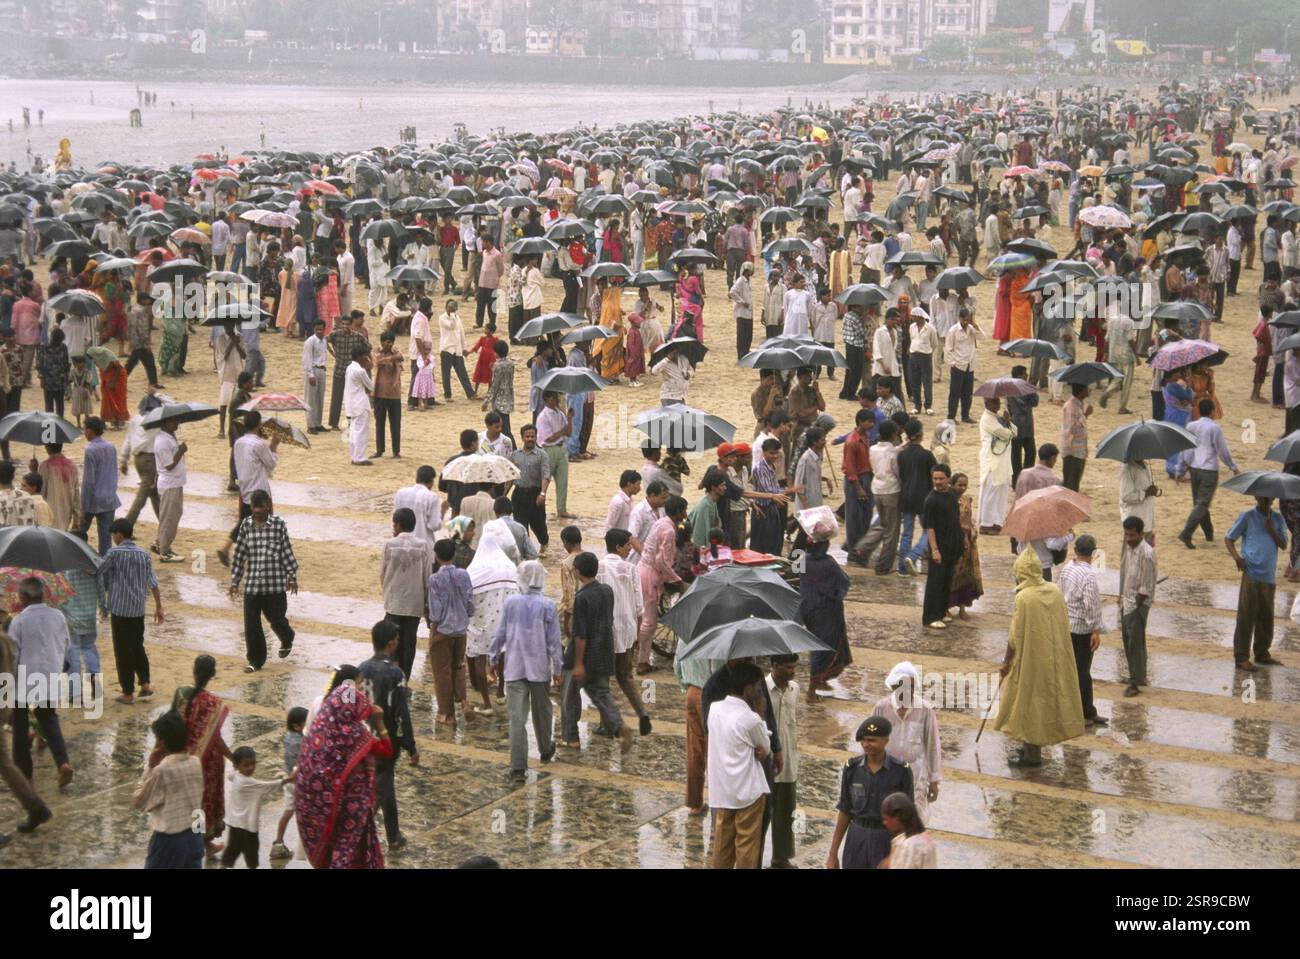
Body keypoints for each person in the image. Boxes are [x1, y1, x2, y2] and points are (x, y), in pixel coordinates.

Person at [992, 549, 1085, 767]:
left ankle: (1032, 755)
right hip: (1054, 658)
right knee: (1046, 702)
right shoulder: (1054, 591)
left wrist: (1006, 662)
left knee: (1028, 704)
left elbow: (1015, 636)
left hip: (1030, 661)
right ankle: (1033, 748)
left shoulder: (1023, 597)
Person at [293, 677, 391, 869]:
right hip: (353, 805)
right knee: (347, 847)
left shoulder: (319, 731)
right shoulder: (357, 734)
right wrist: (380, 723)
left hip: (323, 807)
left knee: (334, 846)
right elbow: (387, 751)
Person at [489, 560, 562, 779]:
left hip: (514, 667)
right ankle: (545, 748)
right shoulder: (548, 605)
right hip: (539, 668)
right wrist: (557, 668)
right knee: (543, 712)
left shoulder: (511, 603)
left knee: (517, 718)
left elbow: (499, 633)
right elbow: (554, 642)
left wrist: (492, 657)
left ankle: (518, 766)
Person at [358, 621, 418, 854]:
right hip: (385, 739)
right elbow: (401, 713)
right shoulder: (395, 673)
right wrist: (410, 746)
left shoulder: (361, 669)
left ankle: (393, 835)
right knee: (382, 788)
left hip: (363, 738)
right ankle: (365, 834)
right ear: (392, 643)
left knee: (382, 786)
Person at [162, 655, 231, 857]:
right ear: (213, 674)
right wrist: (232, 757)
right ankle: (202, 843)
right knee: (202, 803)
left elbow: (172, 724)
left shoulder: (181, 694)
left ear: (194, 670)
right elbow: (215, 738)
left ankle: (193, 842)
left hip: (182, 755)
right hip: (208, 762)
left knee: (188, 802)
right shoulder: (213, 702)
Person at [9, 578, 74, 789]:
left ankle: (26, 777)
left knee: (19, 726)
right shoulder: (58, 616)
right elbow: (66, 645)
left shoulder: (19, 621)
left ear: (24, 598)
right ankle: (63, 762)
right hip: (50, 674)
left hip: (24, 678)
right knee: (49, 720)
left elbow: (12, 654)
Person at [826, 715, 914, 870]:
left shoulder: (901, 772)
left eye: (872, 740)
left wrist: (894, 855)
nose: (866, 745)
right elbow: (845, 811)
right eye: (864, 740)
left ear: (886, 740)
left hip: (886, 839)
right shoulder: (851, 769)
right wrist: (833, 855)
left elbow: (907, 819)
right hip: (856, 837)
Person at [707, 661, 771, 870]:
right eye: (757, 687)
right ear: (748, 689)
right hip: (748, 792)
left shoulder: (714, 709)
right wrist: (761, 714)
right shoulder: (750, 718)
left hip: (723, 790)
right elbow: (765, 746)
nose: (759, 691)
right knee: (746, 847)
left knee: (722, 845)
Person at [569, 551, 633, 752]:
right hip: (605, 647)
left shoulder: (582, 598)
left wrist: (578, 663)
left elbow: (580, 634)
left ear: (578, 572)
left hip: (589, 652)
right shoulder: (606, 590)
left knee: (576, 693)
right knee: (601, 692)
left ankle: (571, 735)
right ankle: (617, 725)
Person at [229, 490, 298, 672]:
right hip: (252, 586)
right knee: (251, 624)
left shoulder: (278, 525)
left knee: (276, 619)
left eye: (261, 509)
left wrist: (291, 575)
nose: (258, 513)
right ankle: (255, 660)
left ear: (268, 506)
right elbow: (239, 555)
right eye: (255, 510)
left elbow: (286, 551)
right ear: (251, 508)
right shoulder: (246, 525)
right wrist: (235, 580)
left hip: (274, 586)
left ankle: (287, 636)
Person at [97, 518, 163, 705]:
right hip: (137, 610)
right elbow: (153, 583)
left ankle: (127, 692)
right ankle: (145, 682)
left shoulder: (114, 553)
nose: (113, 538)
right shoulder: (144, 554)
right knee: (137, 646)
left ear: (119, 533)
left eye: (113, 534)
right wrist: (159, 606)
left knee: (122, 651)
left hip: (119, 611)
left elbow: (99, 570)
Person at [598, 528, 652, 736]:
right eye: (628, 545)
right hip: (628, 627)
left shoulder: (600, 567)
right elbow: (639, 604)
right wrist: (637, 631)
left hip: (607, 631)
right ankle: (642, 712)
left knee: (604, 680)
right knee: (625, 675)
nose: (631, 548)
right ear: (619, 547)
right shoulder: (631, 569)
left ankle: (606, 724)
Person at [134, 711, 204, 868]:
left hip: (169, 839)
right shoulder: (196, 762)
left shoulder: (162, 770)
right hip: (195, 834)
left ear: (161, 743)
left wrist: (150, 766)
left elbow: (139, 802)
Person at [1225, 497, 1288, 671]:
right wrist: (1237, 558)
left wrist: (1271, 530)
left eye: (1268, 498)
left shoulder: (1277, 519)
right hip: (1251, 572)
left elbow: (1283, 544)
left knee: (1266, 616)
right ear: (1256, 498)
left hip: (1269, 574)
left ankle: (1262, 652)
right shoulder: (1247, 516)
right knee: (1246, 615)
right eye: (1262, 497)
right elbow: (1229, 538)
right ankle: (1241, 657)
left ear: (1273, 499)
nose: (1265, 501)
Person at [872, 662, 941, 819]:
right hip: (886, 777)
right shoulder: (881, 708)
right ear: (894, 687)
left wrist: (934, 781)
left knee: (913, 823)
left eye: (909, 687)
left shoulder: (925, 710)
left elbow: (933, 747)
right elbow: (869, 743)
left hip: (916, 779)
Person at [465, 522, 519, 714]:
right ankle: (501, 693)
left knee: (480, 659)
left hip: (480, 621)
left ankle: (486, 703)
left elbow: (468, 596)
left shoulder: (475, 568)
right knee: (502, 655)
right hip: (504, 622)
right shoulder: (508, 566)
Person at [1176, 399, 1241, 549]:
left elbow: (1185, 448)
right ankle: (1187, 532)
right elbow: (1222, 451)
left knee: (1199, 503)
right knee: (1202, 503)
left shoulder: (1191, 425)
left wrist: (1181, 469)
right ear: (1212, 411)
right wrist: (1233, 466)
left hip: (1194, 468)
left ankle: (1209, 533)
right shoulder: (1214, 428)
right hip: (1209, 469)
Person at [1057, 535, 1107, 727]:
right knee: (1082, 672)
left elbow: (1060, 594)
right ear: (1093, 553)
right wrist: (1096, 630)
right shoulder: (1088, 575)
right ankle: (1083, 712)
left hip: (1068, 625)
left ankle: (1085, 710)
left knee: (1074, 670)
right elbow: (1091, 605)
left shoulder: (1067, 569)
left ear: (1075, 550)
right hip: (1082, 629)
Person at [381, 507, 435, 679]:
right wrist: (426, 602)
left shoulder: (389, 545)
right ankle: (405, 678)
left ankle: (391, 678)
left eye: (394, 524)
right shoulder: (423, 546)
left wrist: (387, 592)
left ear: (398, 525)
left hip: (394, 603)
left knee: (390, 642)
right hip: (414, 604)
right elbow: (427, 577)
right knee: (409, 643)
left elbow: (382, 574)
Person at [426, 538, 474, 726]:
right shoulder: (463, 575)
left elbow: (435, 611)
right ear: (453, 554)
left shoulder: (435, 579)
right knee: (458, 665)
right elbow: (470, 602)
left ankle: (447, 714)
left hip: (442, 630)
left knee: (442, 671)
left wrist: (434, 625)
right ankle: (463, 700)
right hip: (461, 629)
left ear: (437, 557)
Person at [801, 520, 851, 701]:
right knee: (823, 649)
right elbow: (844, 582)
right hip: (826, 612)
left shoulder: (802, 559)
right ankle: (812, 690)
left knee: (818, 646)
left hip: (807, 610)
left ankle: (820, 681)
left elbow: (794, 572)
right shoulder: (829, 564)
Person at [220, 746, 289, 869]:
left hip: (235, 823)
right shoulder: (248, 782)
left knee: (233, 848)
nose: (250, 768)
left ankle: (223, 866)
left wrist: (236, 767)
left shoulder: (236, 775)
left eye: (252, 764)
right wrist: (288, 780)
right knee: (251, 851)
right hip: (247, 825)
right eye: (246, 765)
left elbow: (230, 776)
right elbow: (268, 786)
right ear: (238, 766)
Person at [854, 419, 901, 572]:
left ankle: (862, 547)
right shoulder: (893, 452)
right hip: (891, 490)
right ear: (894, 434)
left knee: (883, 523)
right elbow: (896, 471)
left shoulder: (873, 448)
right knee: (891, 531)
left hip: (877, 488)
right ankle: (884, 565)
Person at [1118, 516, 1157, 698]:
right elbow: (1125, 573)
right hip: (1127, 601)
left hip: (1137, 605)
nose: (1128, 538)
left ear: (1141, 534)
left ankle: (1135, 682)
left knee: (1135, 643)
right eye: (1126, 534)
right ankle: (1136, 676)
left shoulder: (1147, 553)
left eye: (1132, 535)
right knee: (1129, 641)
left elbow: (1146, 586)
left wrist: (1135, 607)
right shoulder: (1128, 548)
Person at [921, 464, 962, 629]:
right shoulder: (931, 500)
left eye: (941, 479)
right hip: (939, 547)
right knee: (935, 582)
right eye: (935, 479)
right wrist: (935, 550)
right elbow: (929, 528)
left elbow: (955, 518)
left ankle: (942, 611)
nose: (937, 482)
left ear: (948, 479)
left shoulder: (951, 494)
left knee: (946, 581)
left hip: (952, 544)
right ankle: (930, 616)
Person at [269, 706, 307, 860]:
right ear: (297, 725)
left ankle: (278, 843)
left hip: (289, 779)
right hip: (299, 781)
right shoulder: (302, 740)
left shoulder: (288, 737)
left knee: (288, 811)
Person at [79, 417, 120, 555]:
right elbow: (114, 471)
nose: (84, 432)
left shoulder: (90, 450)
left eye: (85, 429)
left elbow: (88, 482)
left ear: (90, 431)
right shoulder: (111, 447)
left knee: (79, 533)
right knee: (105, 539)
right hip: (109, 498)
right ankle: (104, 569)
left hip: (93, 500)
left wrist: (84, 507)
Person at [977, 398, 1016, 533]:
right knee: (991, 490)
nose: (998, 404)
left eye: (998, 401)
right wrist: (1006, 424)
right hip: (992, 460)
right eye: (994, 402)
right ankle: (986, 523)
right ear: (987, 403)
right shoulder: (987, 418)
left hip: (1002, 460)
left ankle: (997, 521)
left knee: (1002, 490)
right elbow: (1005, 434)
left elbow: (1014, 431)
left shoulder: (997, 417)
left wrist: (1007, 421)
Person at [151, 414, 186, 562]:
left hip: (174, 483)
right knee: (170, 518)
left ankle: (159, 543)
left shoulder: (169, 437)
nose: (177, 422)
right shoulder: (162, 442)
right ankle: (165, 551)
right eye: (173, 420)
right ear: (164, 422)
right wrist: (181, 451)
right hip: (170, 484)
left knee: (171, 515)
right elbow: (169, 465)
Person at [880, 792, 937, 869]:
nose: (884, 823)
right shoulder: (925, 839)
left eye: (885, 819)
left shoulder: (909, 846)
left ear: (897, 817)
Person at [371, 330, 403, 458]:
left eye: (391, 343)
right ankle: (380, 450)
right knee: (380, 423)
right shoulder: (377, 352)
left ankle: (396, 451)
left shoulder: (394, 353)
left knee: (395, 424)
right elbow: (377, 361)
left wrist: (389, 358)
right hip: (379, 393)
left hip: (394, 394)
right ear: (382, 342)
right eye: (387, 342)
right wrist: (392, 357)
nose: (389, 345)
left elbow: (400, 357)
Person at [393, 465, 444, 544]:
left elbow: (395, 519)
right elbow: (434, 526)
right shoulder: (432, 497)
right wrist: (443, 511)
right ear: (432, 481)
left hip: (401, 542)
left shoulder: (401, 492)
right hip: (423, 543)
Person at [343, 343, 375, 466]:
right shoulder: (360, 370)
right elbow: (370, 386)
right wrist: (368, 368)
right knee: (361, 431)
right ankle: (359, 457)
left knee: (353, 431)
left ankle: (354, 456)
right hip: (360, 404)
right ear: (360, 357)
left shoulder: (350, 367)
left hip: (351, 404)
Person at [1060, 383, 1091, 492]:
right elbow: (1072, 429)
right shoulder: (1071, 406)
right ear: (1081, 391)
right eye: (1087, 388)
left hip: (1078, 450)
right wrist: (1085, 415)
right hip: (1072, 451)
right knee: (1071, 485)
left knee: (1074, 482)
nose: (1089, 390)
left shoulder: (1078, 404)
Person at [301, 319, 327, 432]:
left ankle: (318, 423)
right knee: (311, 398)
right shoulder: (309, 342)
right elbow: (307, 359)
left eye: (321, 329)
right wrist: (310, 374)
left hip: (322, 370)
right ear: (314, 329)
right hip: (313, 370)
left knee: (320, 398)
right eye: (317, 329)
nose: (319, 331)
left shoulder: (324, 341)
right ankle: (310, 425)